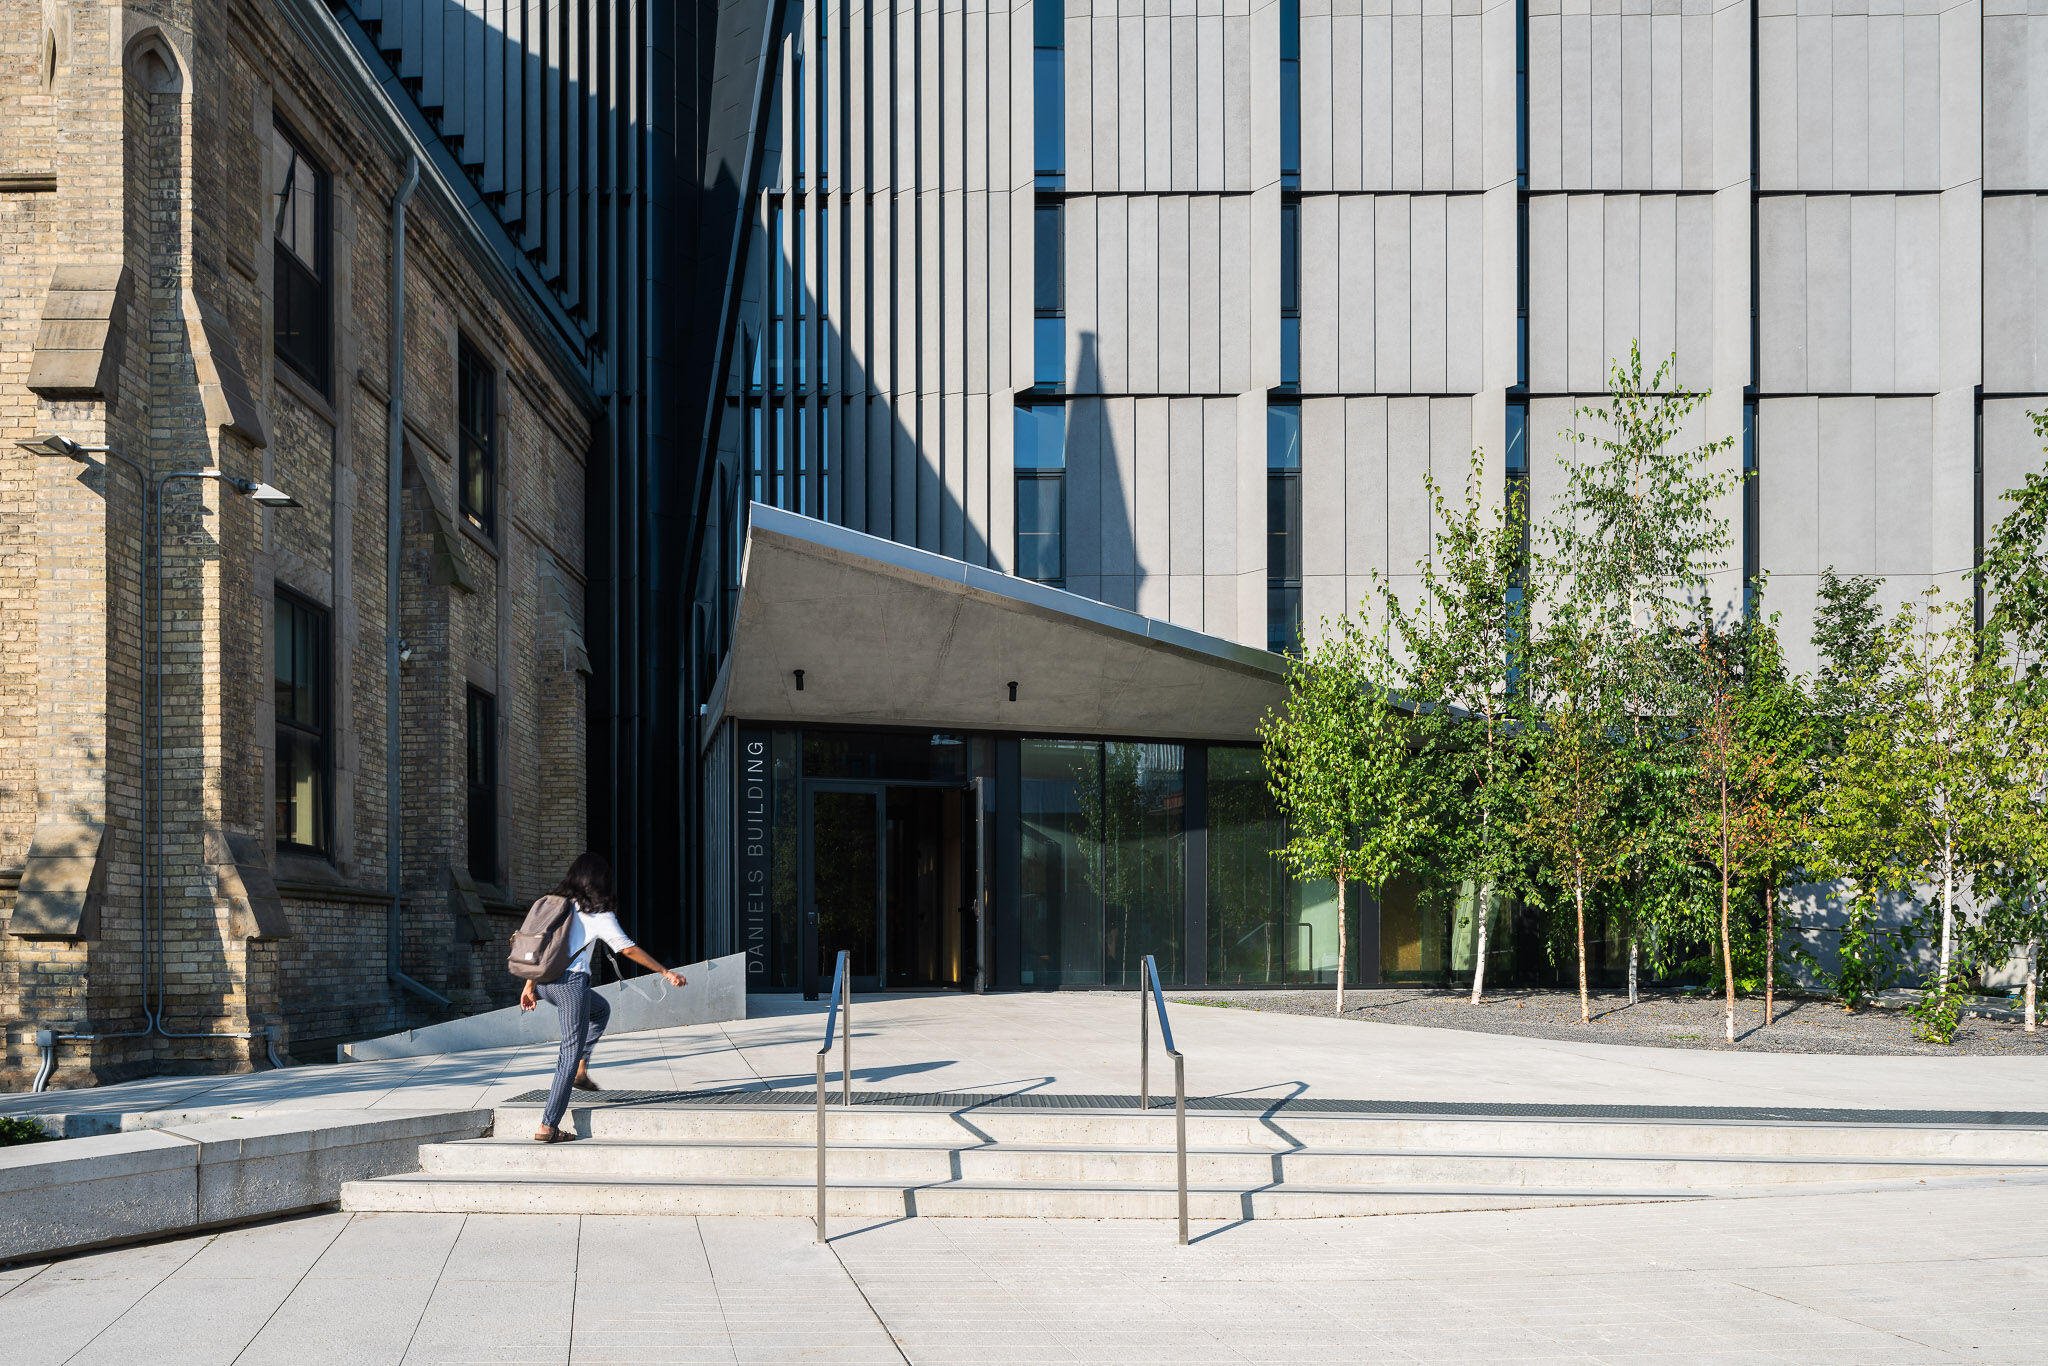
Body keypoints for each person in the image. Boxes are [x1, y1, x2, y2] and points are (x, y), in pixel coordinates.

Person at [519, 852, 686, 1142]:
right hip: (569, 985)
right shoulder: (597, 913)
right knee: (567, 1056)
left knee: (599, 1010)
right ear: (601, 882)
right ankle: (548, 1125)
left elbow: (541, 944)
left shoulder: (556, 904)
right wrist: (665, 971)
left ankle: (581, 1070)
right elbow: (627, 949)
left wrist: (530, 986)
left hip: (545, 983)